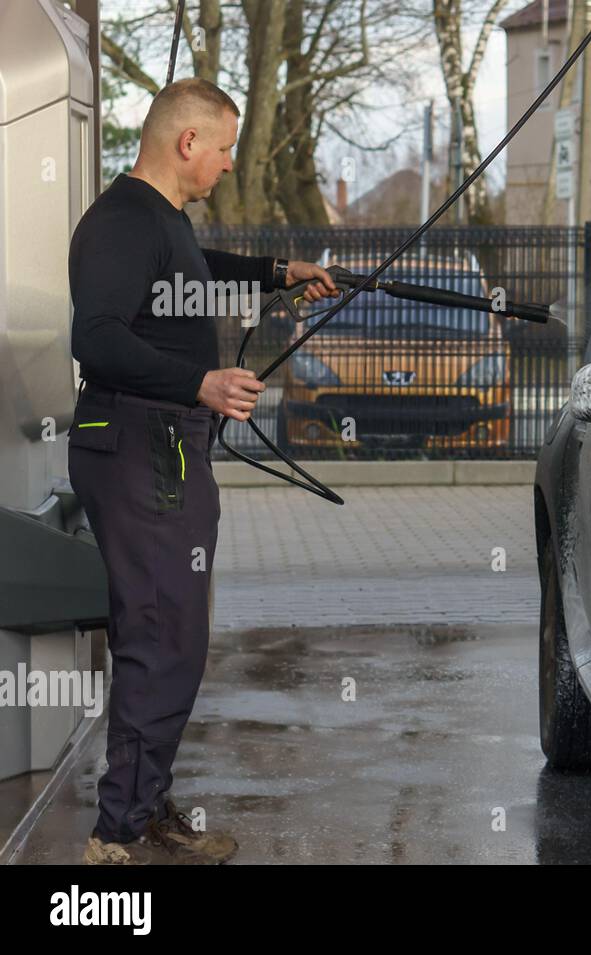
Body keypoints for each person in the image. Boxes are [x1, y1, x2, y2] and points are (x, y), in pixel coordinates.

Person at [68, 77, 338, 865]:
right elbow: (97, 337)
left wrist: (275, 272)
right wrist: (202, 384)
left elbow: (188, 268)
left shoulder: (158, 221)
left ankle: (142, 806)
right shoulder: (123, 222)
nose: (226, 165)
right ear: (188, 143)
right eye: (222, 148)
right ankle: (114, 834)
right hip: (139, 446)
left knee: (170, 634)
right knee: (163, 637)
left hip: (160, 447)